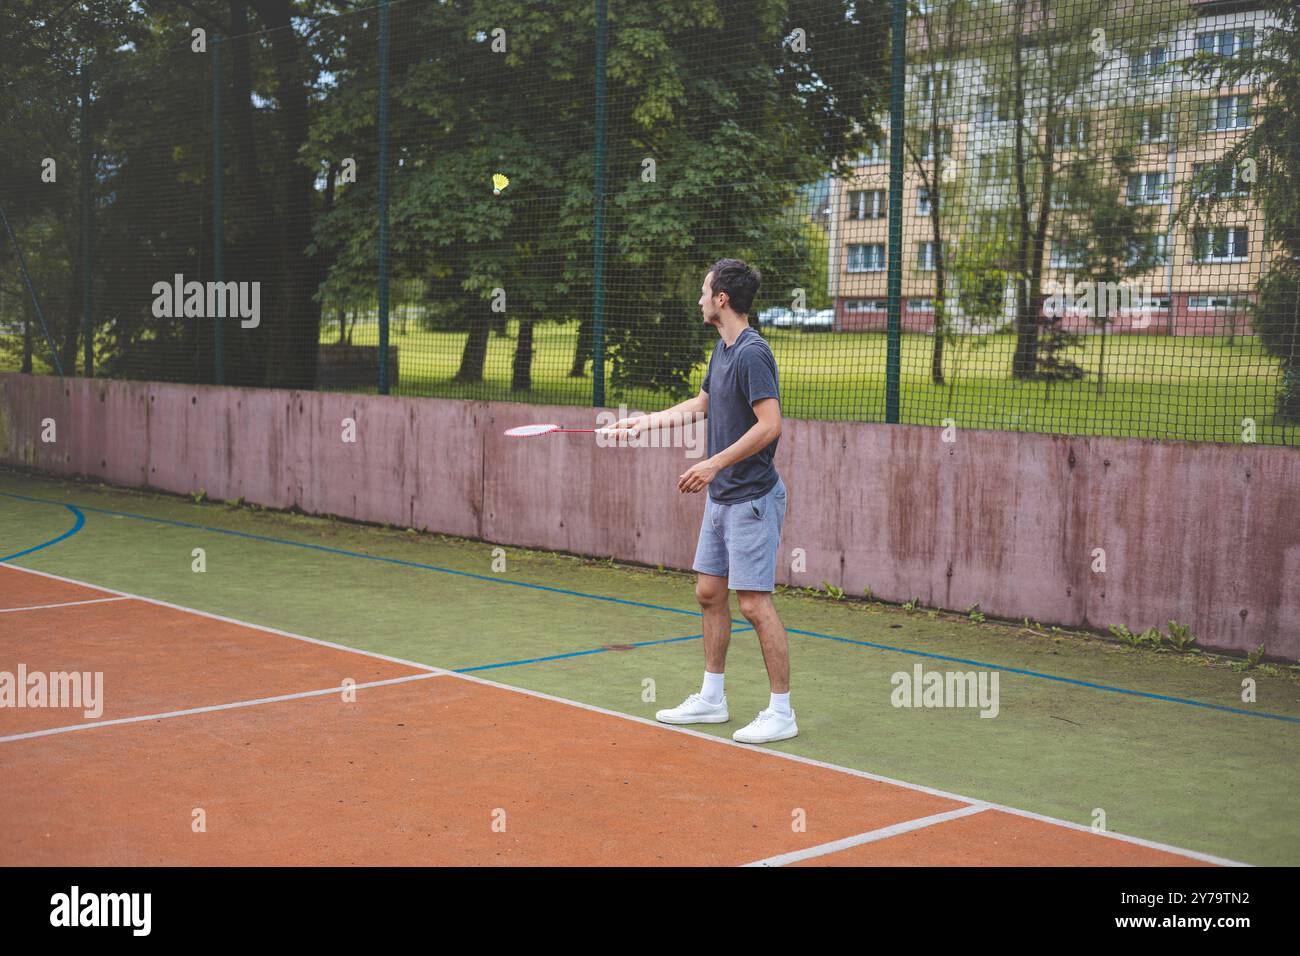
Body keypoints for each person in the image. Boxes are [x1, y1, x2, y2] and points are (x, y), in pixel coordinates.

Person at [608, 259, 795, 744]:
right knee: (709, 594)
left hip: (751, 497)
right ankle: (713, 699)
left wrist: (713, 463)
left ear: (722, 300)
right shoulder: (723, 349)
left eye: (704, 291)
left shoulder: (753, 352)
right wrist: (642, 422)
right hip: (722, 497)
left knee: (754, 603)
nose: (699, 299)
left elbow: (770, 425)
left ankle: (782, 711)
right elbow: (703, 404)